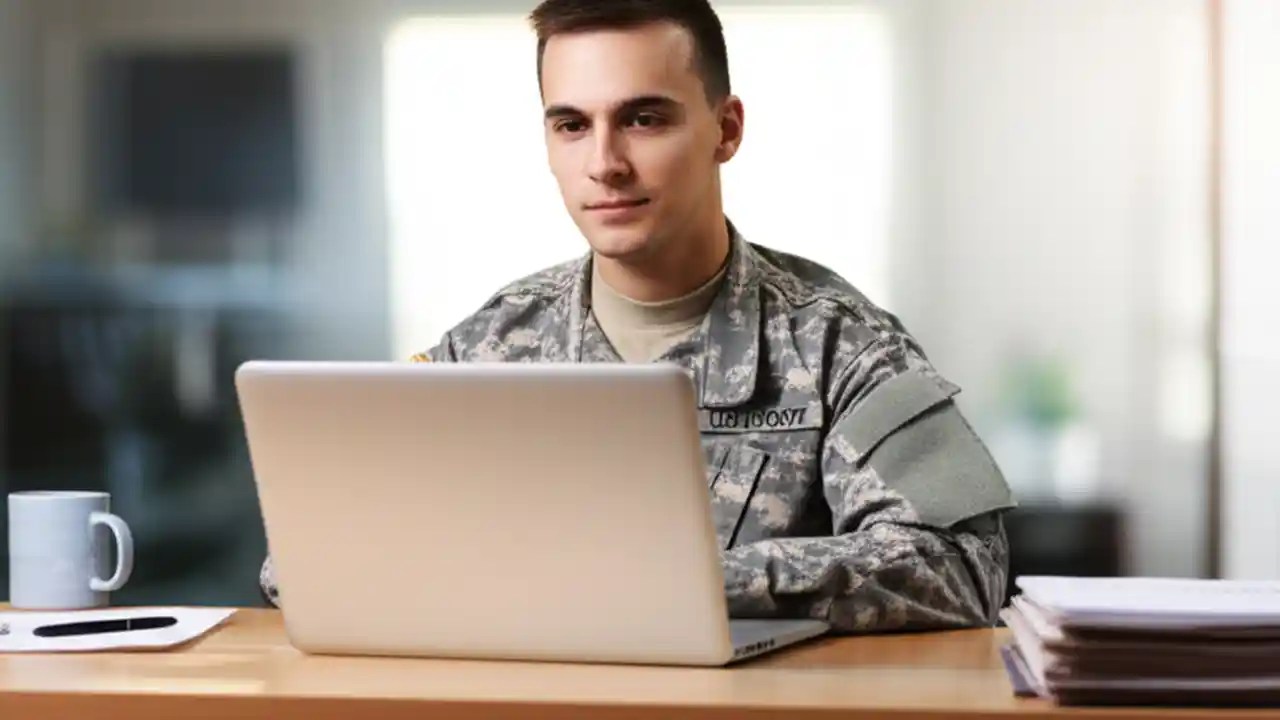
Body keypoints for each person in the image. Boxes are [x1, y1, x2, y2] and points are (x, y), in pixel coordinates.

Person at [261, 0, 1016, 633]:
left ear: (726, 130)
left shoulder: (838, 344)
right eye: (571, 125)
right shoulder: (492, 345)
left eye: (644, 119)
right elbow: (305, 561)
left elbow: (960, 565)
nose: (605, 162)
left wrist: (671, 583)